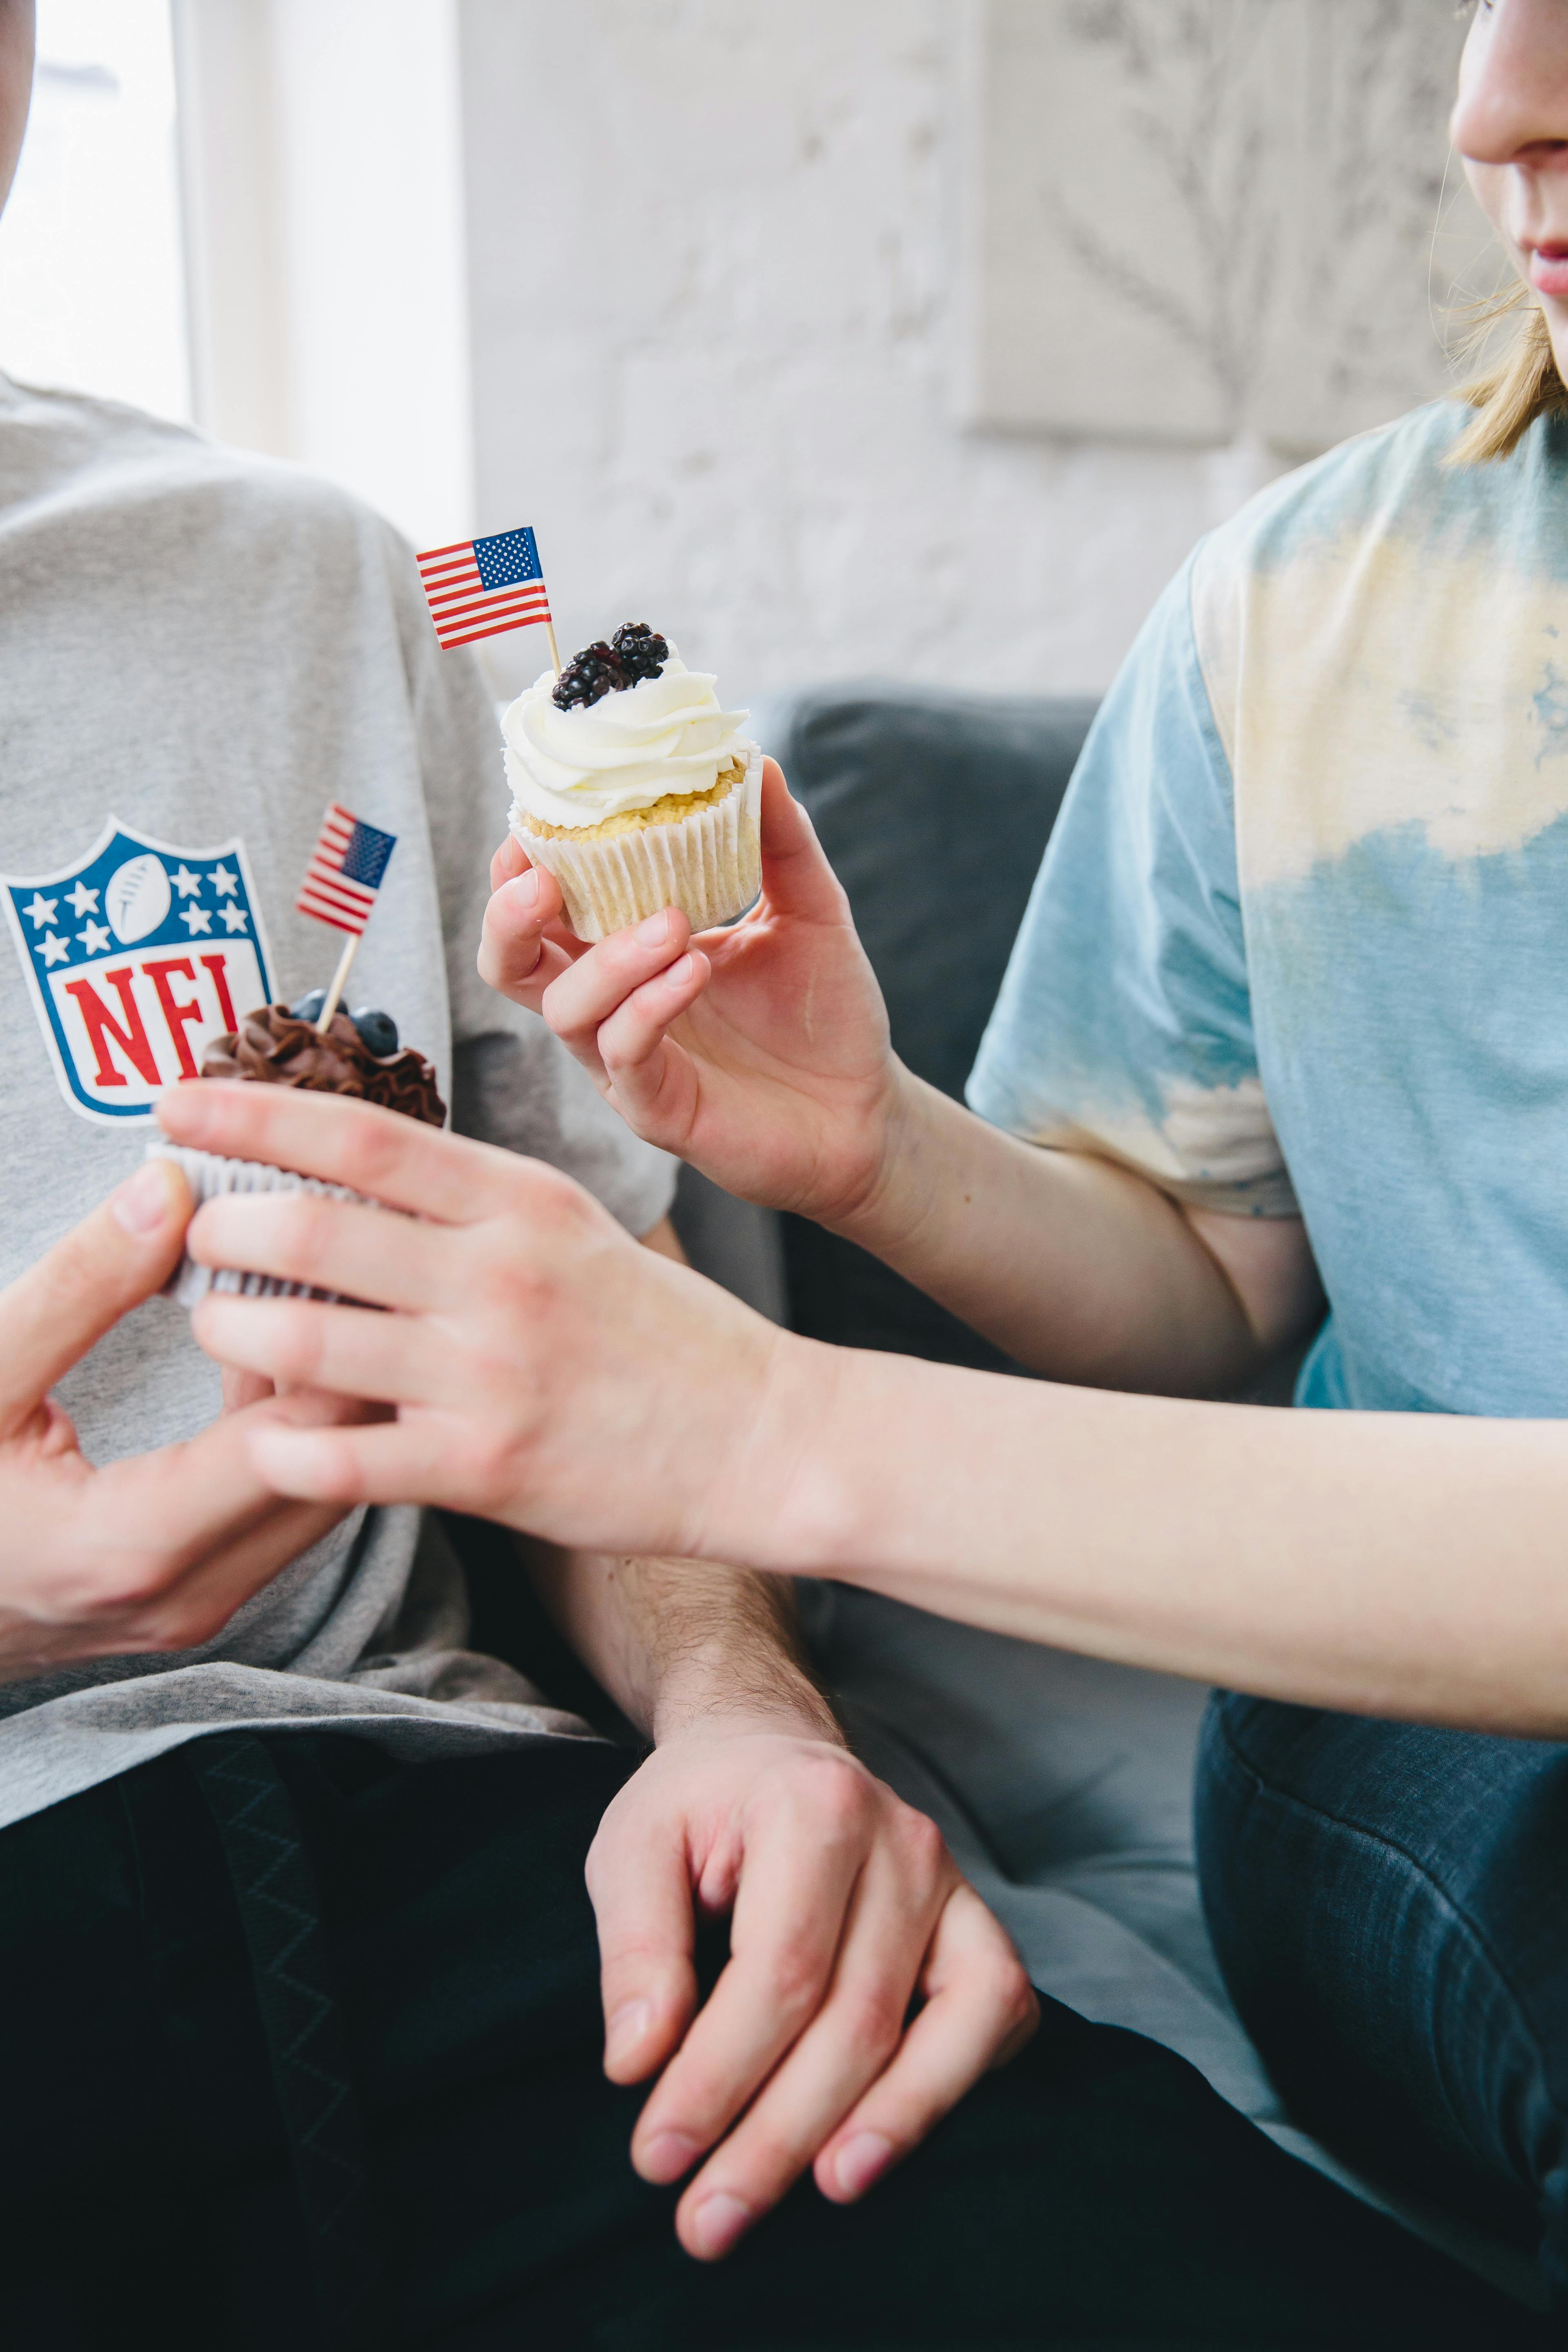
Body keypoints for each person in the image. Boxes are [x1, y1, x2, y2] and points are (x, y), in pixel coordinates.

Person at [172, 0, 1568, 2321]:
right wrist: (873, 1150)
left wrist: (753, 1428)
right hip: (1422, 1753)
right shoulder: (1301, 610)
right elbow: (1210, 1281)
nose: (1491, 98)